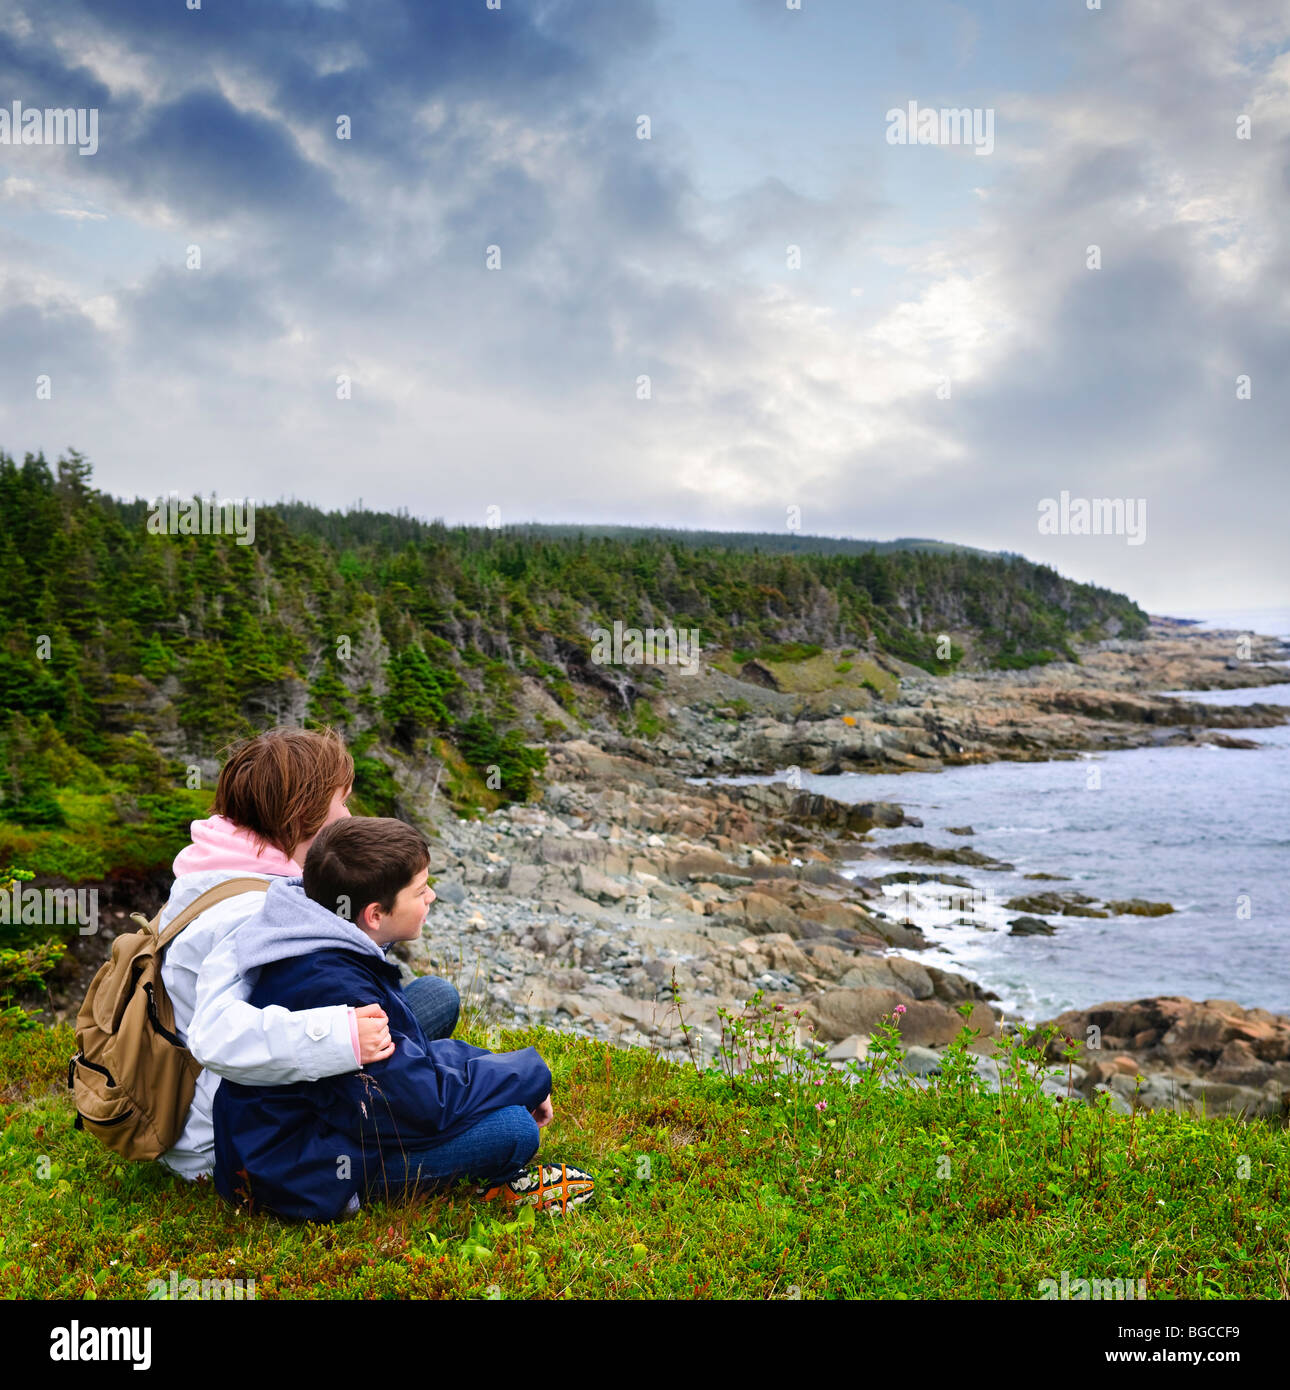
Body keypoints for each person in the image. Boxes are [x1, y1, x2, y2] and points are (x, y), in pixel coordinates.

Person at [213, 816, 594, 1222]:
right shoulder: (339, 989)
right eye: (420, 890)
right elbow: (422, 1107)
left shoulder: (319, 931)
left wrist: (495, 1068)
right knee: (514, 1130)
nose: (430, 897)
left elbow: (407, 1055)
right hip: (297, 1170)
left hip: (301, 1119)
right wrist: (527, 1076)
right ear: (375, 914)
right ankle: (476, 1187)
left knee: (435, 997)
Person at [158, 727, 461, 1179]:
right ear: (303, 815)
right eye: (343, 803)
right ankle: (405, 1110)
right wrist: (342, 1037)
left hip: (214, 1091)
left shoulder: (213, 865)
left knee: (436, 996)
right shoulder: (252, 910)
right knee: (509, 1132)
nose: (349, 814)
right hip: (233, 1135)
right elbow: (217, 1033)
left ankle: (411, 1088)